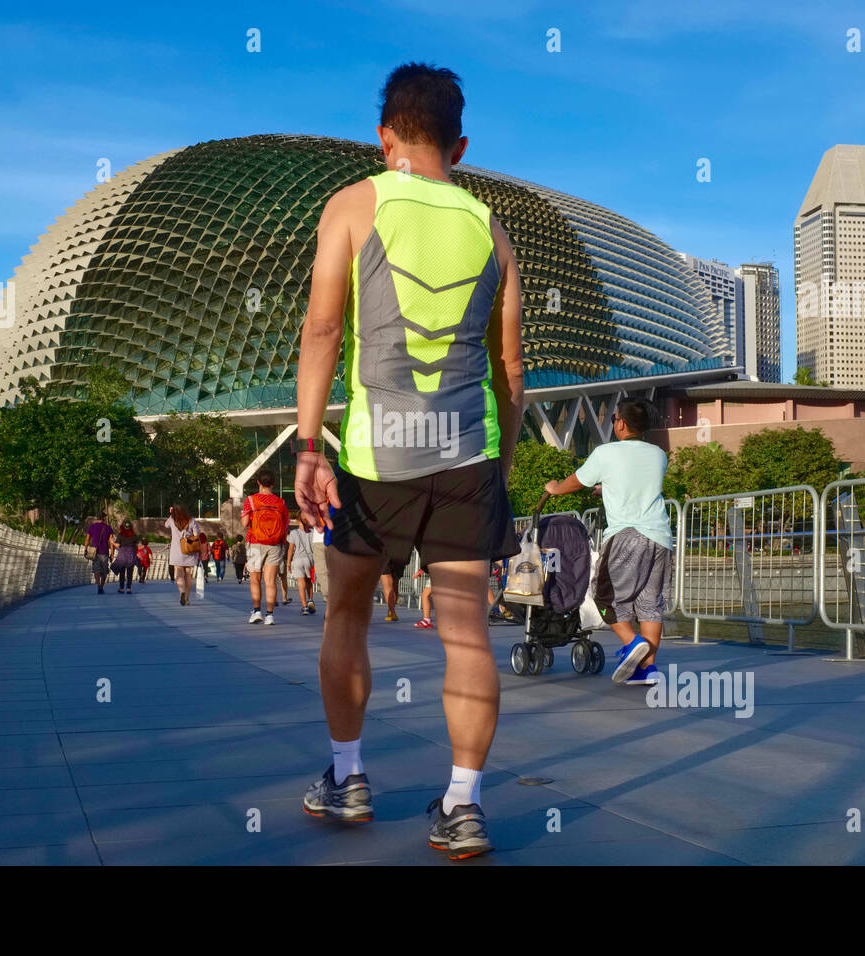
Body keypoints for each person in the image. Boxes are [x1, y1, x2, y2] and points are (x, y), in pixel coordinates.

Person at [292, 63, 523, 861]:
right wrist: (503, 461)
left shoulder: (354, 203)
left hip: (372, 453)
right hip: (467, 453)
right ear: (460, 144)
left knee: (349, 614)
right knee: (465, 633)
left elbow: (323, 330)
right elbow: (511, 370)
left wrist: (308, 444)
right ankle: (463, 804)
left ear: (383, 137)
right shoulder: (492, 227)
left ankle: (348, 777)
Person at [543, 400, 673, 687]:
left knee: (603, 596)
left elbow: (576, 481)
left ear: (621, 423)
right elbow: (636, 480)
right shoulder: (658, 454)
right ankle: (647, 670)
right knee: (650, 604)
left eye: (614, 418)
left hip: (628, 535)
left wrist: (554, 489)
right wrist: (606, 487)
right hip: (661, 538)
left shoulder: (606, 452)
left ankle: (632, 642)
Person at [242, 469, 289, 625]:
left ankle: (256, 612)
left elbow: (244, 523)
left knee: (255, 578)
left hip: (255, 542)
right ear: (273, 484)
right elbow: (286, 525)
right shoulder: (280, 502)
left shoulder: (251, 500)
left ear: (258, 483)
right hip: (275, 544)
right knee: (270, 581)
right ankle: (270, 615)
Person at [163, 505, 201, 606]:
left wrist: (171, 514)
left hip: (176, 552)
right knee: (188, 573)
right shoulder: (191, 520)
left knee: (178, 573)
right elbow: (197, 534)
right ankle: (187, 599)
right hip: (189, 550)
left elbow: (165, 525)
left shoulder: (172, 519)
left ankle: (182, 592)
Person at [287, 517, 318, 615]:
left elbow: (291, 549)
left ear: (297, 521)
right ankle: (310, 600)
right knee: (309, 581)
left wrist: (288, 562)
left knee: (301, 583)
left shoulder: (294, 533)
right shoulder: (312, 532)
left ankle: (304, 607)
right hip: (310, 559)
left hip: (297, 559)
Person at [84, 514, 115, 594]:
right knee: (104, 571)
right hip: (104, 552)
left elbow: (87, 539)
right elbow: (111, 542)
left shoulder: (91, 527)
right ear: (104, 518)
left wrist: (85, 549)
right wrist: (112, 554)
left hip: (95, 552)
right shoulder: (108, 528)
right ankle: (101, 586)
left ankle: (98, 586)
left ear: (97, 518)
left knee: (96, 570)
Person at [111, 519, 139, 594]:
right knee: (130, 572)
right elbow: (136, 546)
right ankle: (129, 588)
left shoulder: (120, 535)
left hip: (122, 556)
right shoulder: (134, 535)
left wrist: (112, 542)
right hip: (131, 555)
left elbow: (118, 545)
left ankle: (121, 588)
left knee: (122, 573)